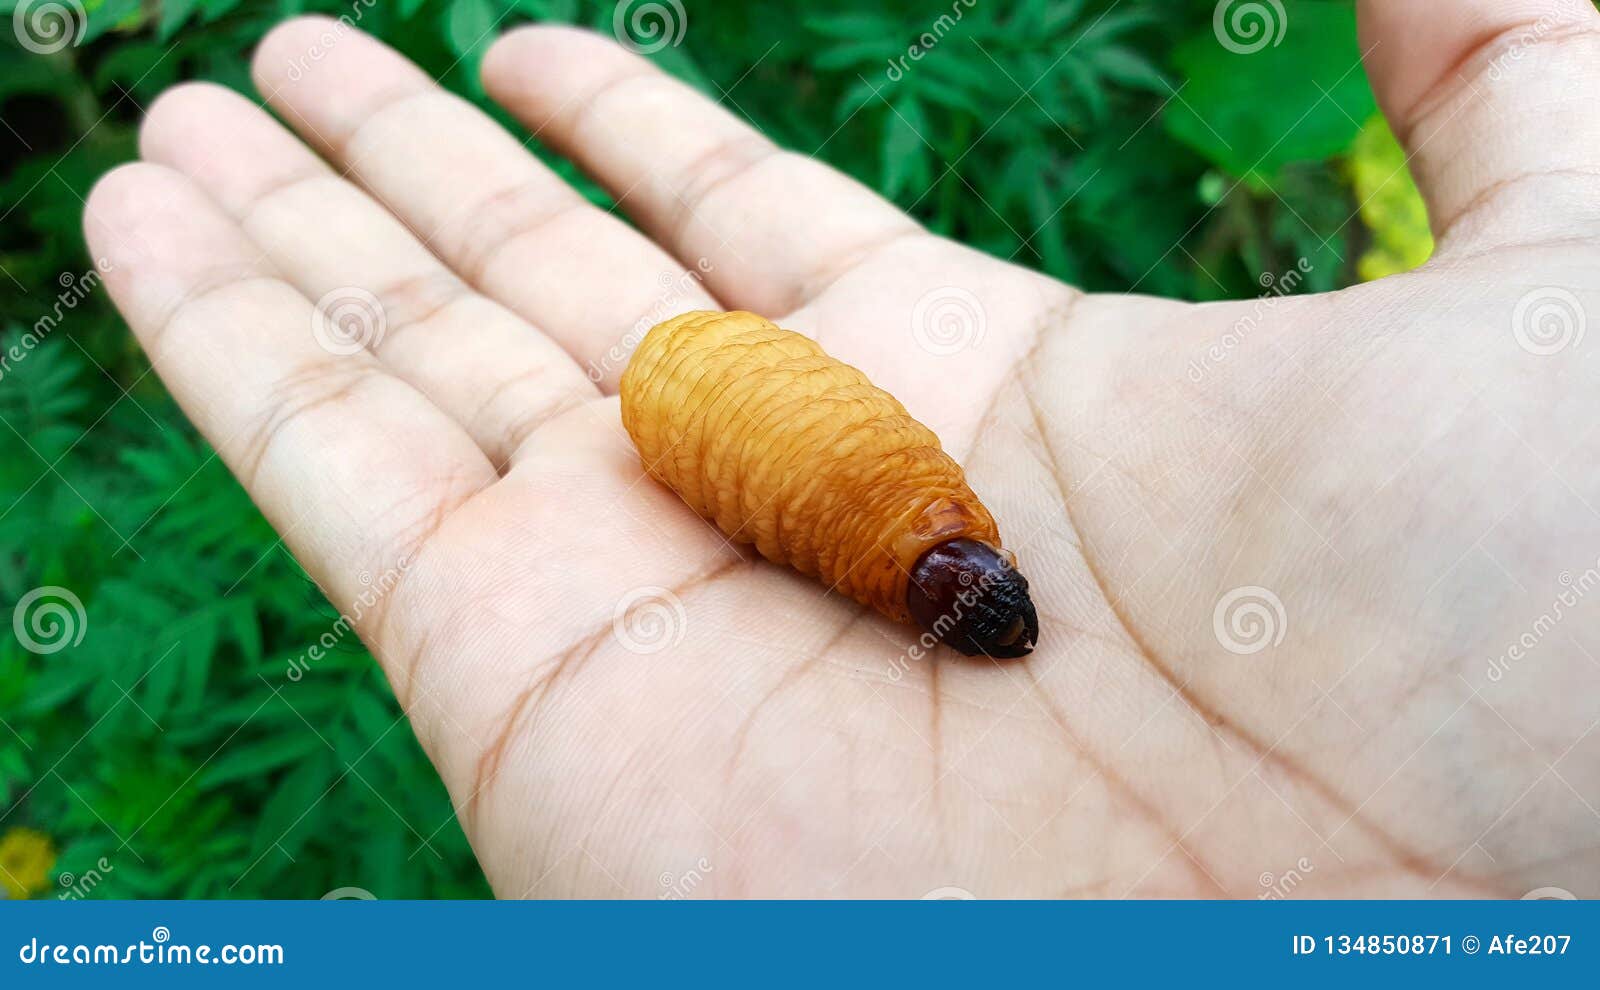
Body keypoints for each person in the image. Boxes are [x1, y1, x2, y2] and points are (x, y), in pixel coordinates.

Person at [84, 0, 1600, 898]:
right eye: (962, 591)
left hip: (730, 415)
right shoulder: (904, 521)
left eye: (958, 593)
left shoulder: (928, 527)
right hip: (705, 402)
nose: (984, 611)